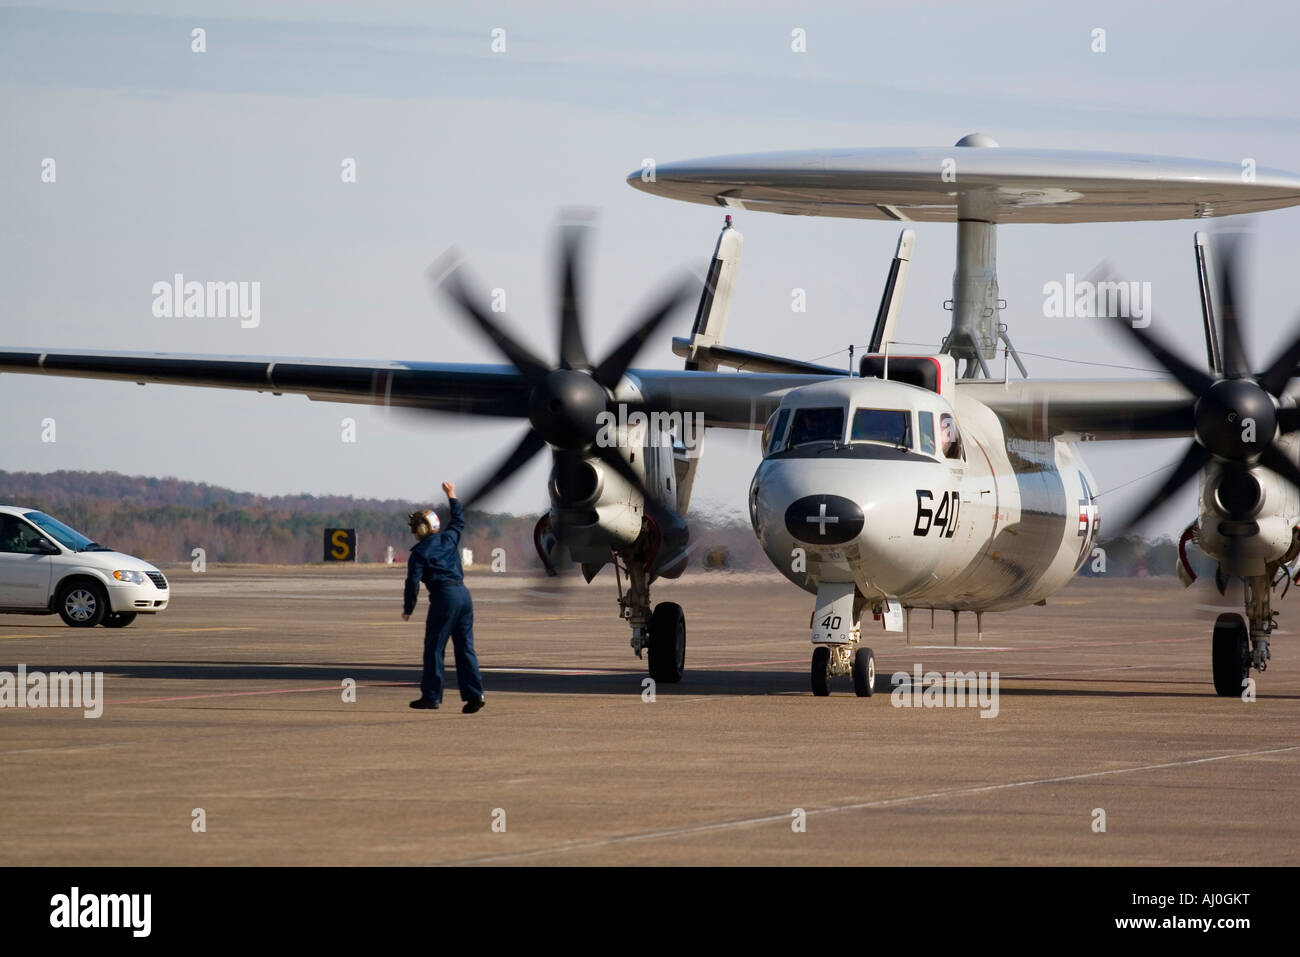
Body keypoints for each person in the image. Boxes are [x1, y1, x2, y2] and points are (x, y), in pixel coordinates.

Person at [402, 481, 485, 713]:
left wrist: (408, 608)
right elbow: (459, 520)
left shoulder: (418, 553)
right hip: (464, 595)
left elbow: (412, 583)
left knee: (434, 648)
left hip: (444, 598)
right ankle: (475, 694)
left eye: (415, 526)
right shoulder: (449, 539)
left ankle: (431, 696)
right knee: (465, 647)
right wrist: (452, 495)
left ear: (422, 529)